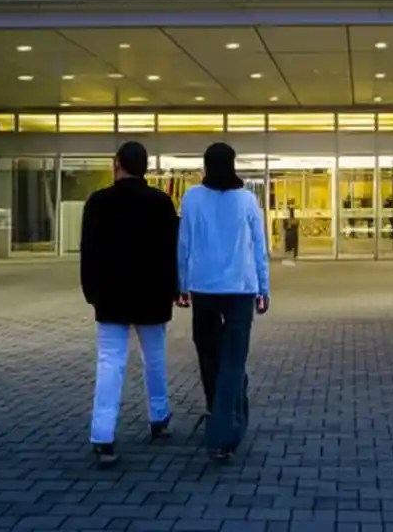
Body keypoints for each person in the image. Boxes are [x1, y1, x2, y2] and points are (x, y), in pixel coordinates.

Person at [80, 141, 180, 468]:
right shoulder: (161, 203)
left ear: (117, 164)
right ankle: (159, 416)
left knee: (110, 362)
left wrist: (91, 290)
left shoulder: (98, 203)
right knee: (154, 358)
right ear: (145, 167)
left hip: (111, 297)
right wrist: (174, 289)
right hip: (152, 295)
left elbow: (89, 252)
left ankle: (103, 435)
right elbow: (171, 253)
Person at [177, 142, 270, 462]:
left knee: (208, 353)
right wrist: (263, 288)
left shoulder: (191, 197)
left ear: (205, 165)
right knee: (233, 360)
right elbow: (259, 246)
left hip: (203, 288)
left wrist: (181, 284)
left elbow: (184, 242)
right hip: (240, 289)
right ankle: (225, 427)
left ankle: (218, 422)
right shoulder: (247, 200)